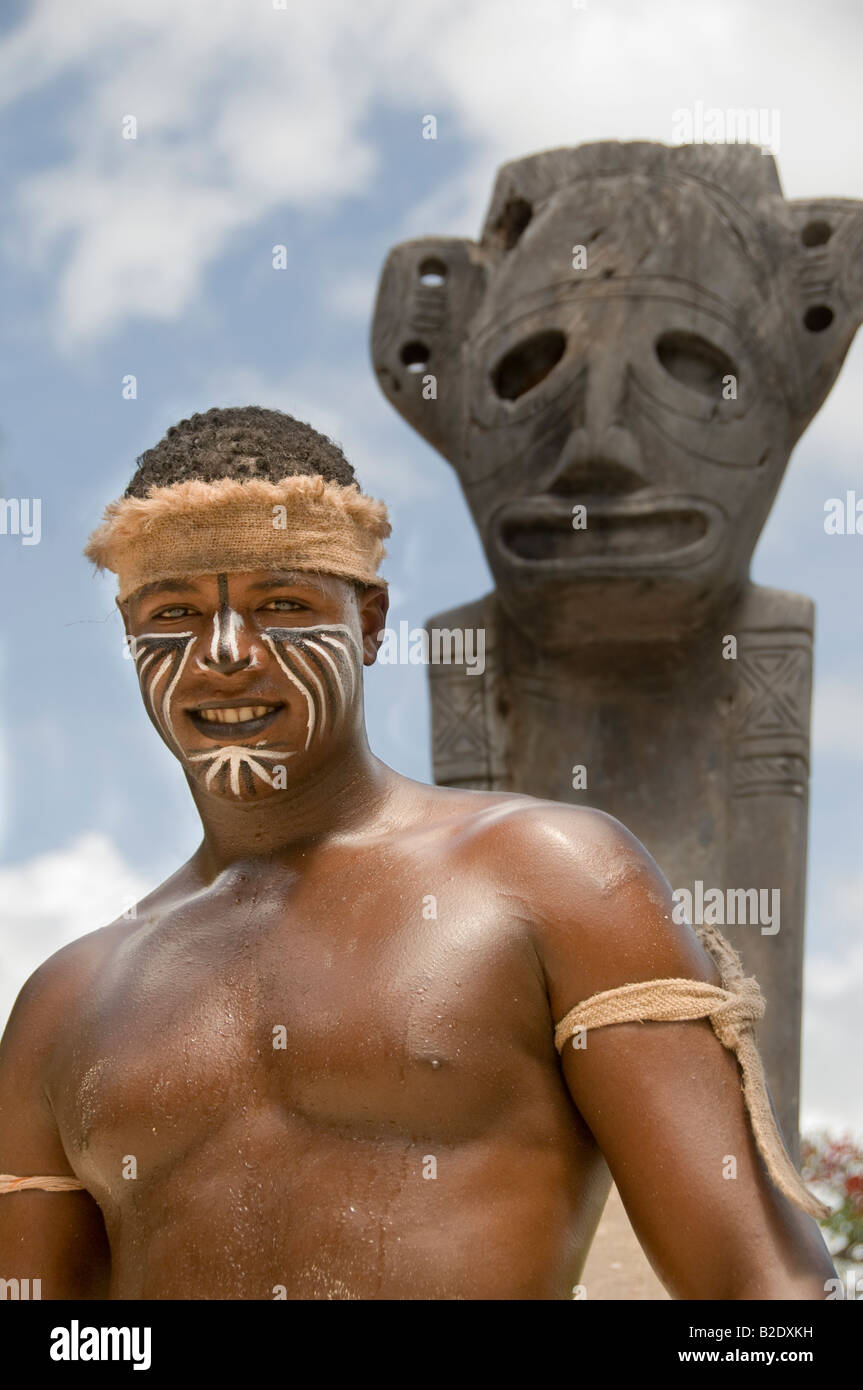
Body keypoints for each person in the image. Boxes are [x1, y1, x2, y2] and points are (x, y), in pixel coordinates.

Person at [0, 408, 835, 1300]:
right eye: (175, 614)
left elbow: (761, 1297)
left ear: (368, 622)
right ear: (131, 637)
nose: (226, 654)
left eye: (282, 605)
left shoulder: (551, 877)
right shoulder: (65, 1003)